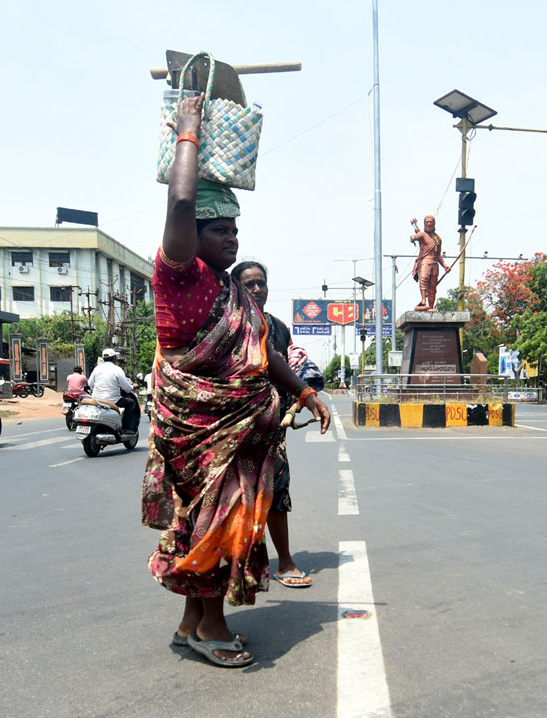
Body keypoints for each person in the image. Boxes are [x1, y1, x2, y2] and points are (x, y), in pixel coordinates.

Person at [144, 94, 330, 669]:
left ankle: (190, 623)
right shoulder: (179, 275)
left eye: (235, 229)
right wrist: (190, 131)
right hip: (202, 432)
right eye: (219, 229)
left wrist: (303, 391)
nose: (231, 238)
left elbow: (264, 352)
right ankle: (214, 625)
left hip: (242, 430)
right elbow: (179, 199)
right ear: (191, 232)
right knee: (215, 524)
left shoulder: (230, 291)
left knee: (209, 521)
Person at [232, 260, 312, 589]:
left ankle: (286, 560)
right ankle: (236, 566)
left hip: (272, 424)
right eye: (249, 284)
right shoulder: (226, 326)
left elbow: (285, 367)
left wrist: (301, 388)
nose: (257, 289)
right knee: (234, 498)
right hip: (231, 425)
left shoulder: (278, 328)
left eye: (261, 283)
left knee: (277, 489)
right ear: (235, 288)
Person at [88, 348, 138, 433]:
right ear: (114, 358)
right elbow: (126, 387)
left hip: (96, 400)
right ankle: (127, 428)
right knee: (131, 403)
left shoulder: (97, 369)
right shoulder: (117, 369)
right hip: (113, 400)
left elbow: (90, 384)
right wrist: (132, 387)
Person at [409, 215, 452, 311]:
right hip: (425, 261)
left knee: (433, 285)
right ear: (424, 224)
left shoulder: (438, 239)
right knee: (423, 279)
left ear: (434, 224)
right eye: (427, 222)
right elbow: (415, 237)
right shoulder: (422, 235)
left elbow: (438, 255)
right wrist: (412, 238)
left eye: (431, 222)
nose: (429, 224)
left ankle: (431, 306)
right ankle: (424, 300)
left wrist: (445, 266)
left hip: (434, 263)